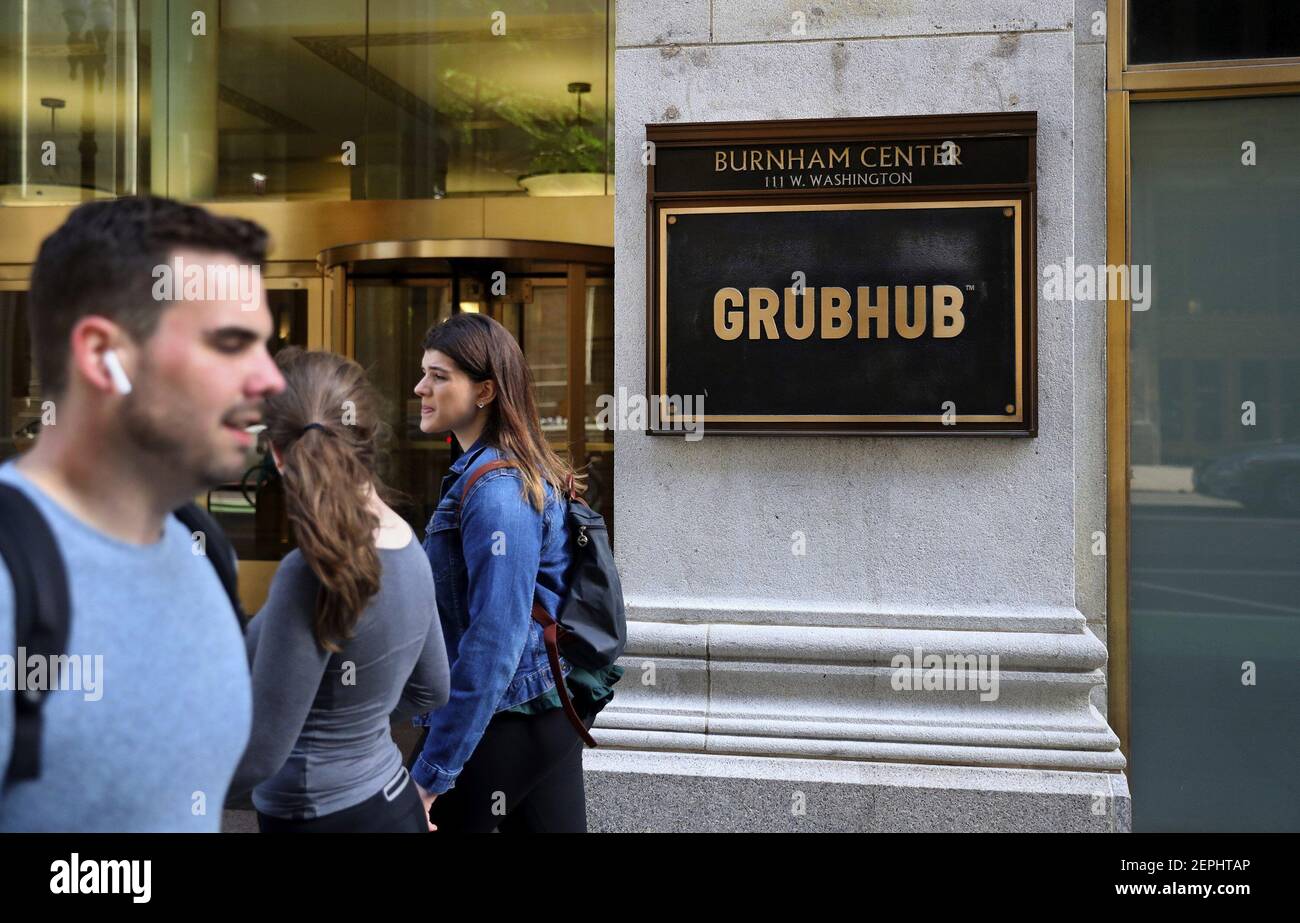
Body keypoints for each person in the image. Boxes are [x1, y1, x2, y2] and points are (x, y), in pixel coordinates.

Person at [0, 195, 284, 831]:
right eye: (232, 343)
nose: (270, 379)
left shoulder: (203, 545)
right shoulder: (10, 575)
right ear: (104, 356)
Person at [407, 312, 623, 833]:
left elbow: (495, 639)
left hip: (510, 712)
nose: (420, 387)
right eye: (423, 373)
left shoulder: (497, 490)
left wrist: (431, 775)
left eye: (439, 376)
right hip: (543, 708)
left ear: (484, 391)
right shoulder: (493, 473)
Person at [229, 348, 450, 832]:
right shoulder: (409, 543)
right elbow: (433, 688)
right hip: (391, 800)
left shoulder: (307, 571)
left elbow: (262, 753)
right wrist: (354, 719)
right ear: (367, 437)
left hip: (319, 816)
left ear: (276, 452)